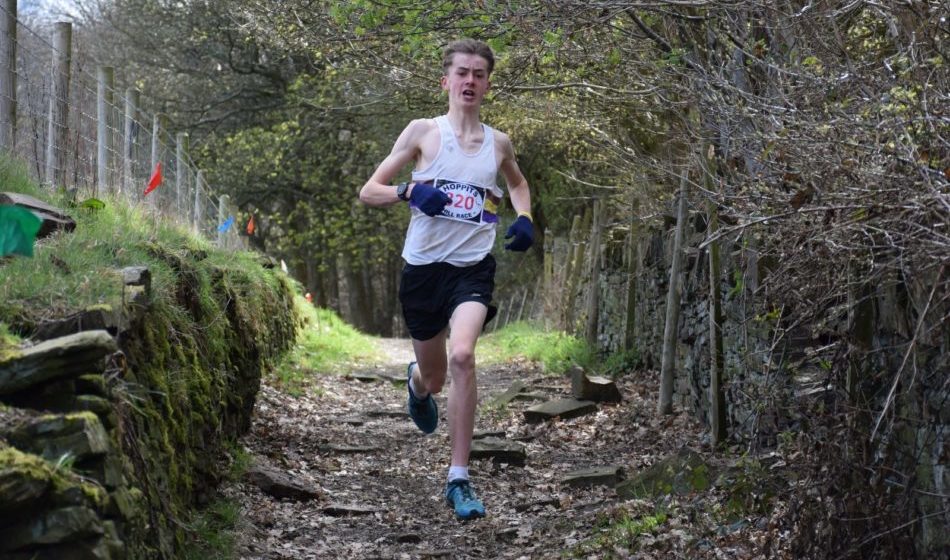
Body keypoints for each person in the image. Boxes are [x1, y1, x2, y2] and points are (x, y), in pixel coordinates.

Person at [359, 38, 533, 520]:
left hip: (472, 270)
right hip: (422, 271)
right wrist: (410, 191)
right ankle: (415, 385)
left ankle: (458, 478)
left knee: (462, 355)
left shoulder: (498, 144)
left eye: (479, 74)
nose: (470, 81)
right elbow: (368, 191)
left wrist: (525, 217)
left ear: (488, 83)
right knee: (434, 376)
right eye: (462, 73)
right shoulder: (423, 133)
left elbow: (517, 183)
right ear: (446, 81)